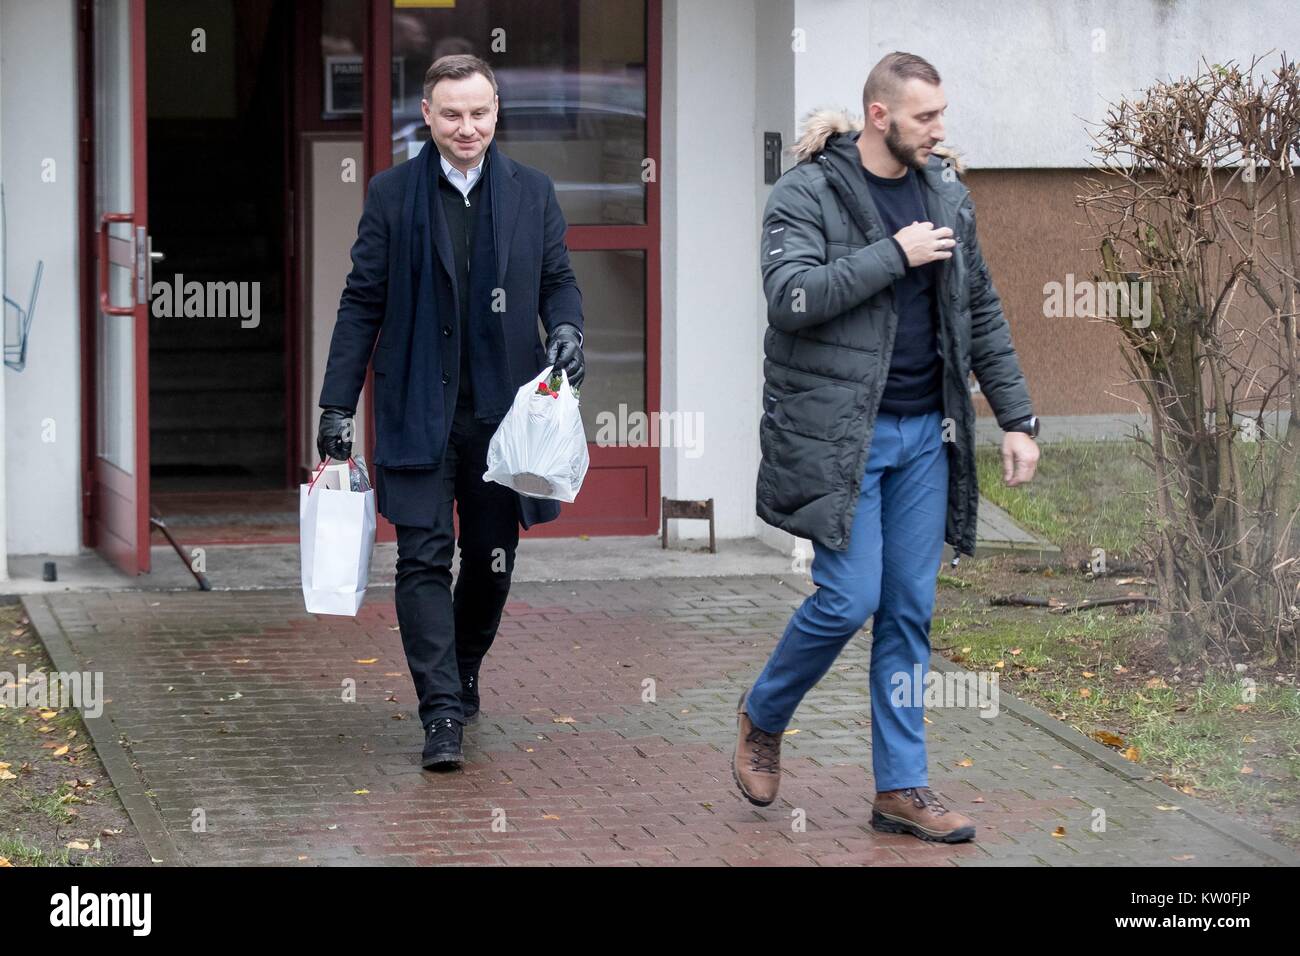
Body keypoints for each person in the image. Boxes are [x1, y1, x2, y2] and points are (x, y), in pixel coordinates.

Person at [736, 52, 1040, 842]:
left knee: (909, 611)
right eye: (926, 117)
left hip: (925, 439)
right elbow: (790, 297)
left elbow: (981, 312)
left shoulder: (946, 194)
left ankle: (901, 788)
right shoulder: (809, 192)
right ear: (880, 116)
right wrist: (893, 255)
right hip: (842, 437)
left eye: (943, 113)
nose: (941, 130)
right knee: (849, 598)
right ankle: (764, 714)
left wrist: (1016, 418)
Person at [316, 54, 585, 770]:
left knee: (493, 564)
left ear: (497, 113)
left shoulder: (533, 192)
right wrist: (336, 403)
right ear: (428, 116)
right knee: (422, 558)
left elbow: (559, 280)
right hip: (416, 409)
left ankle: (464, 668)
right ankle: (439, 712)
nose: (468, 128)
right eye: (453, 114)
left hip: (506, 421)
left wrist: (567, 330)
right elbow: (361, 302)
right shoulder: (392, 194)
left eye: (480, 113)